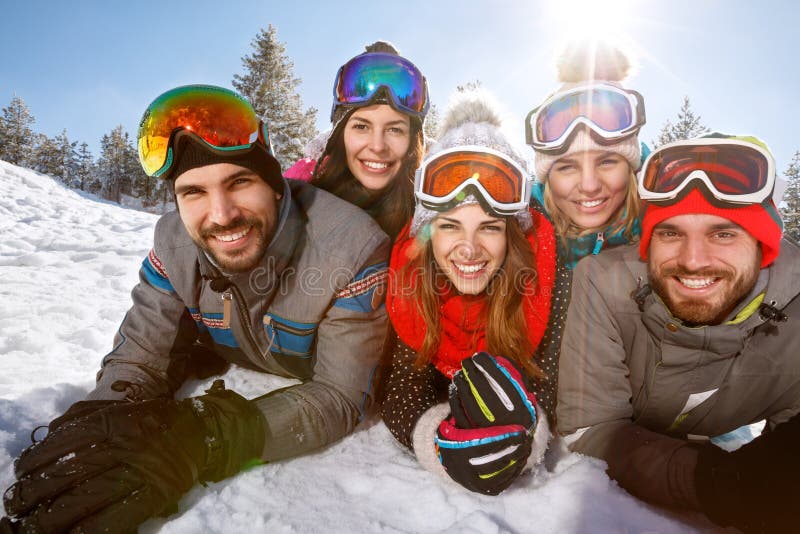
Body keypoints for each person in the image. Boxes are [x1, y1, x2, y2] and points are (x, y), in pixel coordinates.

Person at [1, 84, 391, 532]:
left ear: (276, 185)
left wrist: (198, 439)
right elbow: (137, 355)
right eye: (193, 193)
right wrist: (100, 429)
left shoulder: (352, 248)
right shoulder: (173, 244)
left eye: (239, 182)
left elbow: (341, 396)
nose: (221, 214)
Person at [556, 133, 800, 532]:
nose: (693, 260)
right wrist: (714, 480)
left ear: (762, 244)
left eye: (723, 233)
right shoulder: (604, 280)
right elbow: (590, 426)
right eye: (670, 233)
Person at [382, 91, 567, 495]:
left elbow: (547, 384)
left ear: (512, 236)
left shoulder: (544, 280)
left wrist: (521, 438)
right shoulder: (410, 282)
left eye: (489, 227)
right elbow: (401, 387)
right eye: (449, 226)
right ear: (428, 234)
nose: (469, 249)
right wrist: (437, 439)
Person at [284, 40, 428, 240]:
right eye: (361, 127)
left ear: (412, 142)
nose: (377, 146)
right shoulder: (293, 201)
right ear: (339, 135)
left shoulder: (435, 219)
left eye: (395, 129)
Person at [525, 41, 646, 269]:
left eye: (607, 161)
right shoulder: (521, 229)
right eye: (567, 167)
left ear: (632, 167)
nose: (589, 186)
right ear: (547, 177)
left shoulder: (664, 223)